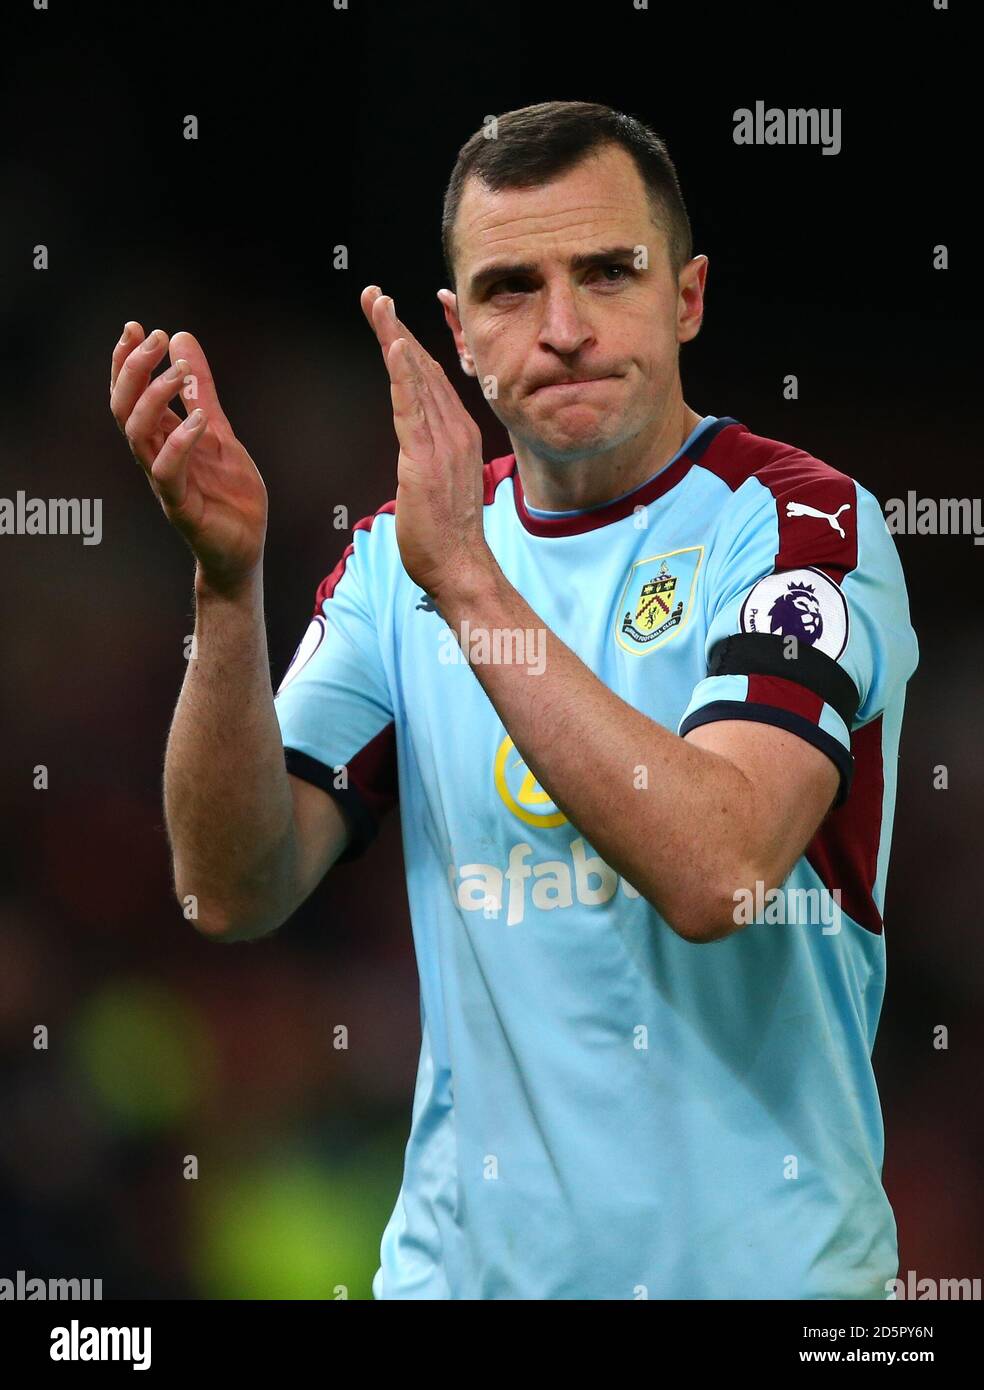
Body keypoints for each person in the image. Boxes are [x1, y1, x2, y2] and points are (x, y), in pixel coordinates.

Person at [109, 100, 919, 1300]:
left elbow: (719, 871)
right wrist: (227, 588)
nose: (563, 328)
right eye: (508, 289)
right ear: (456, 328)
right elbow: (228, 887)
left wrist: (472, 591)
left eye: (607, 273)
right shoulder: (403, 555)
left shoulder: (797, 526)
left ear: (686, 297)